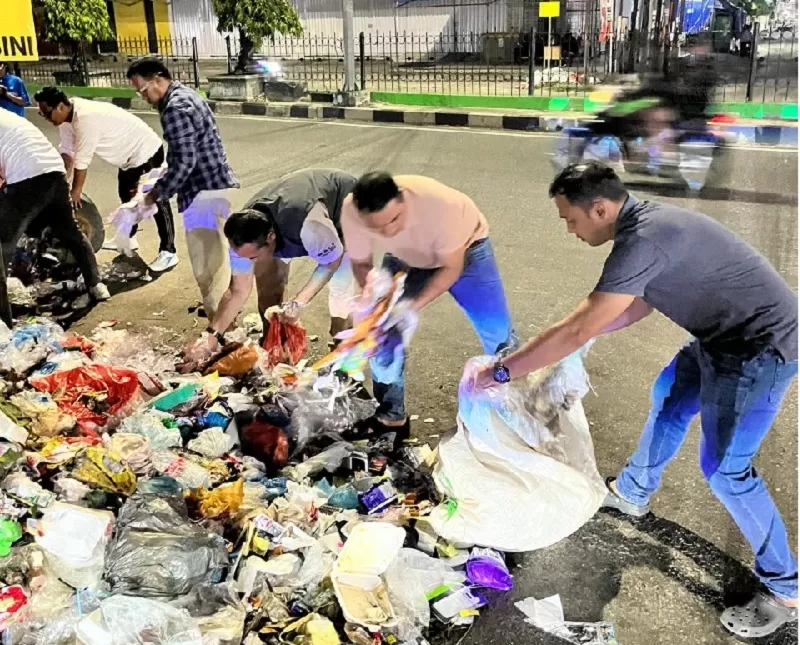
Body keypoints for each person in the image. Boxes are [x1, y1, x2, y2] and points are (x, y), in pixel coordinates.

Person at [470, 162, 798, 639]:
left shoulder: (643, 239)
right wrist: (578, 344)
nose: (569, 229)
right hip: (719, 337)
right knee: (669, 398)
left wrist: (502, 371)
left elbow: (583, 321)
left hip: (759, 349)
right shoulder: (643, 228)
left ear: (600, 208)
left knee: (728, 469)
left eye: (570, 219)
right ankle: (633, 491)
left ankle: (786, 585)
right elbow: (635, 303)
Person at [341, 171, 517, 437]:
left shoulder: (439, 207)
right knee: (381, 333)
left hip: (467, 249)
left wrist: (409, 308)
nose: (387, 230)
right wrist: (373, 292)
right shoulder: (352, 211)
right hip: (405, 254)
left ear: (403, 201)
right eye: (377, 228)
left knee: (498, 334)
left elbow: (450, 270)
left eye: (394, 220)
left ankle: (517, 410)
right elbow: (361, 262)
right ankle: (391, 417)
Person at [193, 168, 358, 355]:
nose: (248, 262)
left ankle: (342, 343)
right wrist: (209, 338)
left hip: (346, 212)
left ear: (270, 237)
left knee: (341, 287)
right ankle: (276, 342)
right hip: (288, 216)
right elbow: (238, 290)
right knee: (270, 286)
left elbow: (331, 263)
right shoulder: (244, 235)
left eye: (252, 257)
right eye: (243, 256)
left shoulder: (312, 227)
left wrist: (299, 302)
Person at [126, 59, 239, 317]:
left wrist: (155, 195)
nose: (142, 97)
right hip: (214, 186)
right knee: (216, 262)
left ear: (157, 79)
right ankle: (222, 317)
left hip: (203, 195)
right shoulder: (185, 94)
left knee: (208, 267)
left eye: (143, 90)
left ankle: (221, 329)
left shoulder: (175, 108)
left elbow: (185, 162)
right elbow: (182, 155)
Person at [33, 86, 178, 272]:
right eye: (42, 114)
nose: (46, 118)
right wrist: (60, 182)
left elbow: (82, 161)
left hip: (146, 151)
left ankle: (169, 251)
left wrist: (75, 193)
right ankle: (128, 238)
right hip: (128, 159)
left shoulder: (85, 119)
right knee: (127, 197)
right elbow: (68, 152)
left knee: (154, 201)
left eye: (46, 113)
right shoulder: (66, 119)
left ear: (60, 106)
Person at [0, 109, 109, 327]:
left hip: (27, 178)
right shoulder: (8, 117)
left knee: (2, 245)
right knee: (70, 231)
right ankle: (96, 286)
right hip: (54, 172)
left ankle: (3, 321)